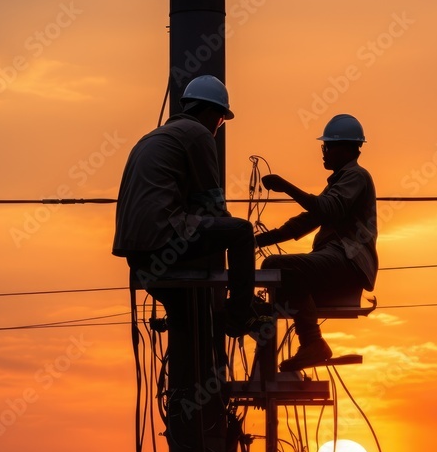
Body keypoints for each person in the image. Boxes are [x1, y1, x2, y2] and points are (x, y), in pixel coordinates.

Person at [113, 75, 262, 338]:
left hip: (137, 253)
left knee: (186, 319)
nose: (218, 127)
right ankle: (240, 315)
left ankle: (188, 366)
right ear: (208, 111)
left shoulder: (154, 137)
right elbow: (212, 201)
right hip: (160, 240)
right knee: (240, 231)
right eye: (220, 120)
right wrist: (226, 235)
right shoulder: (197, 134)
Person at [255, 113, 378, 371]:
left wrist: (286, 187)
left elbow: (328, 208)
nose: (324, 152)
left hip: (348, 262)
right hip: (338, 260)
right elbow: (309, 219)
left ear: (346, 148)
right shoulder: (342, 180)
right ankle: (307, 341)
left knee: (279, 267)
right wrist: (262, 239)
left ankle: (313, 343)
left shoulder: (356, 176)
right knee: (276, 272)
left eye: (328, 146)